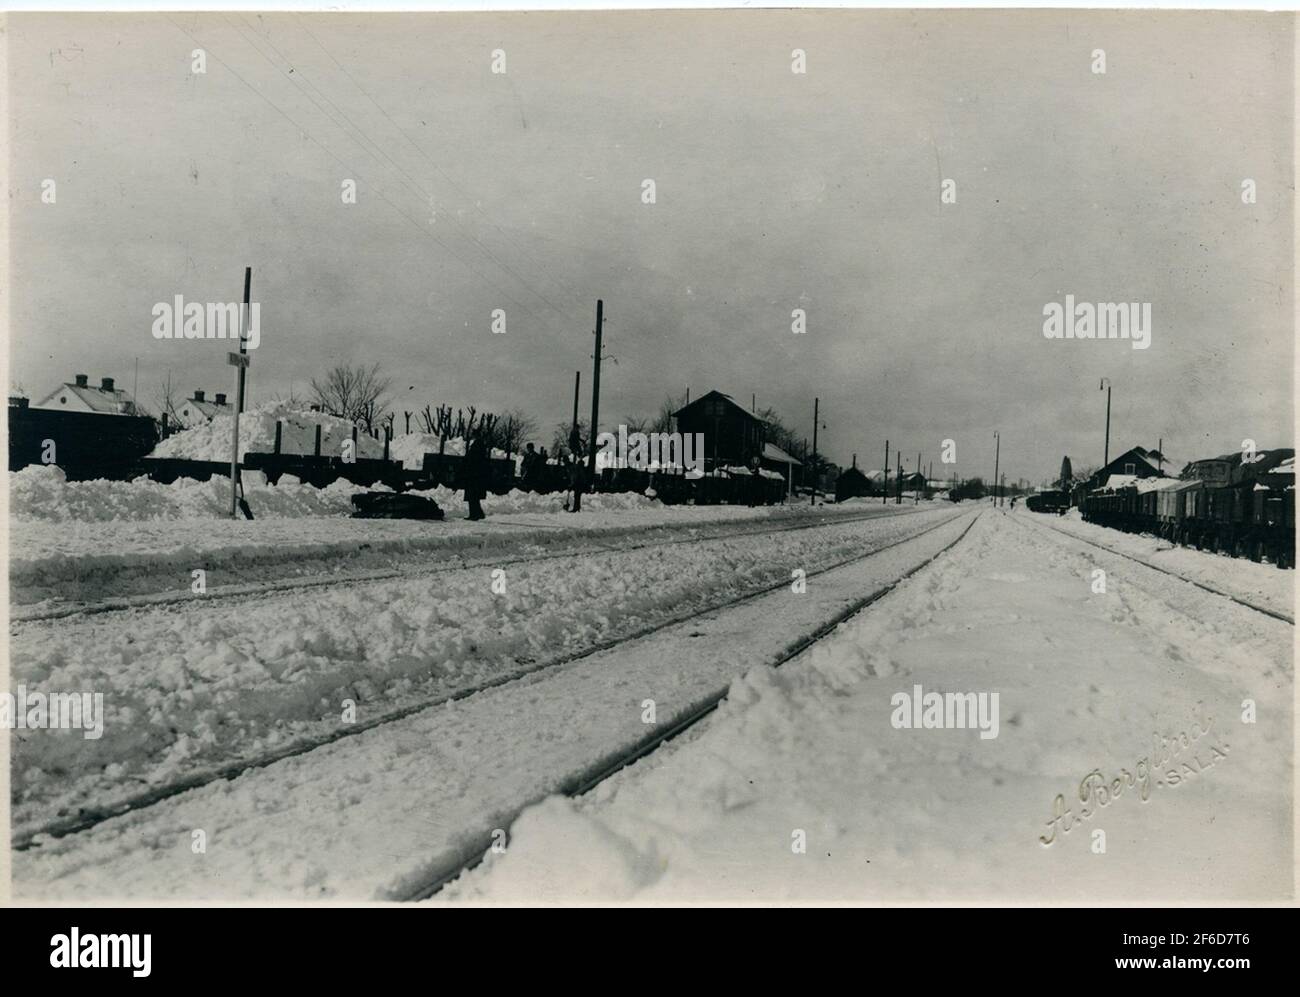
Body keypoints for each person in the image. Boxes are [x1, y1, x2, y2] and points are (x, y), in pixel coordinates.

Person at [463, 430, 490, 520]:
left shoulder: (478, 444)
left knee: (472, 496)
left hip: (474, 474)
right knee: (474, 496)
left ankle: (474, 515)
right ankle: (478, 513)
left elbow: (473, 458)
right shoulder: (480, 444)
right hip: (477, 474)